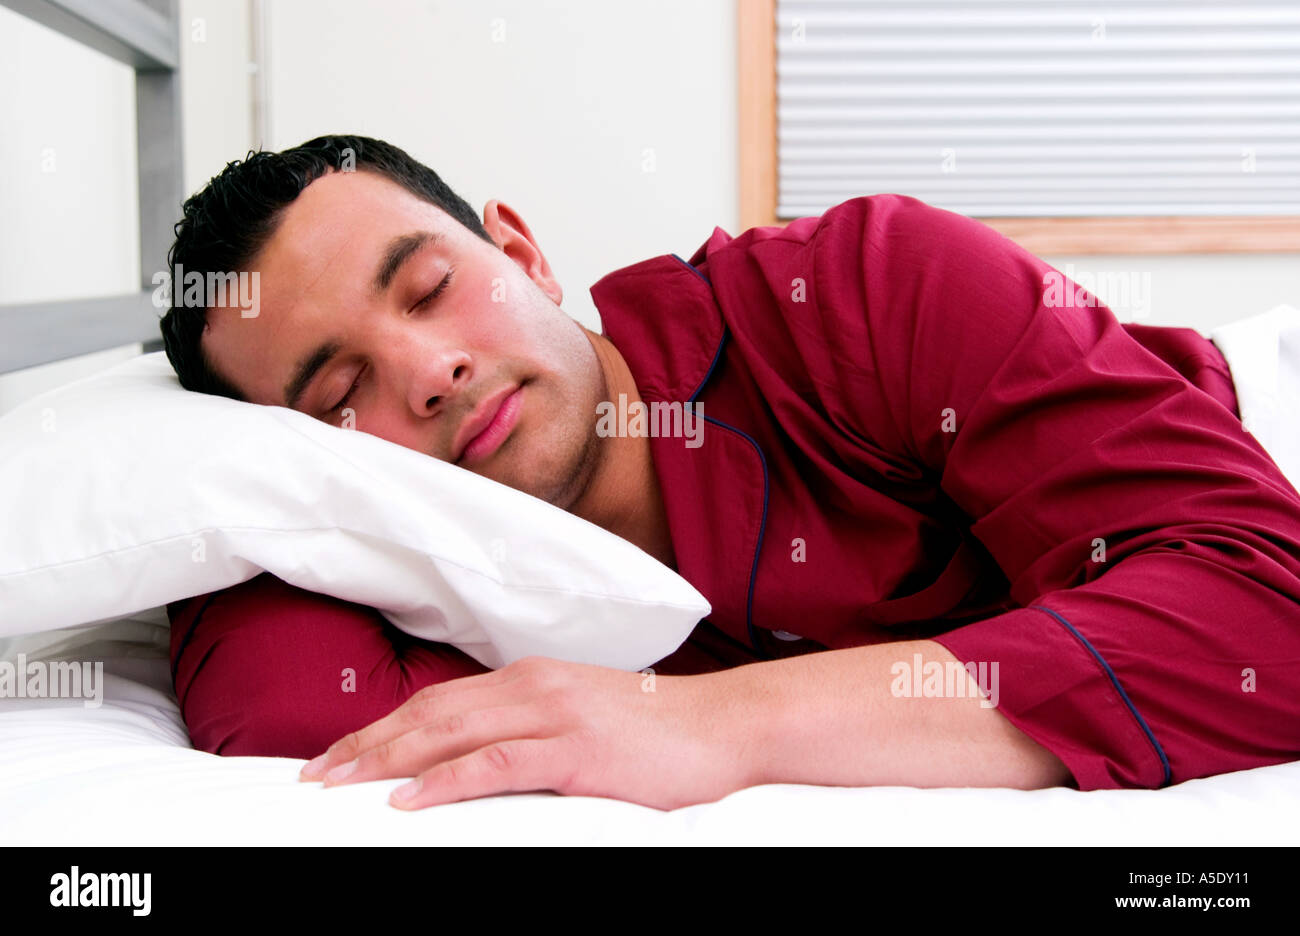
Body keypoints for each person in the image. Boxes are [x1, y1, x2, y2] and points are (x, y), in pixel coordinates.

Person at [159, 135, 1300, 811]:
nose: (430, 369)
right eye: (333, 392)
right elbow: (276, 711)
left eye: (427, 288)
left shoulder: (868, 283)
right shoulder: (395, 550)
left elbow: (1263, 616)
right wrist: (243, 474)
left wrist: (721, 722)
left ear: (521, 254)